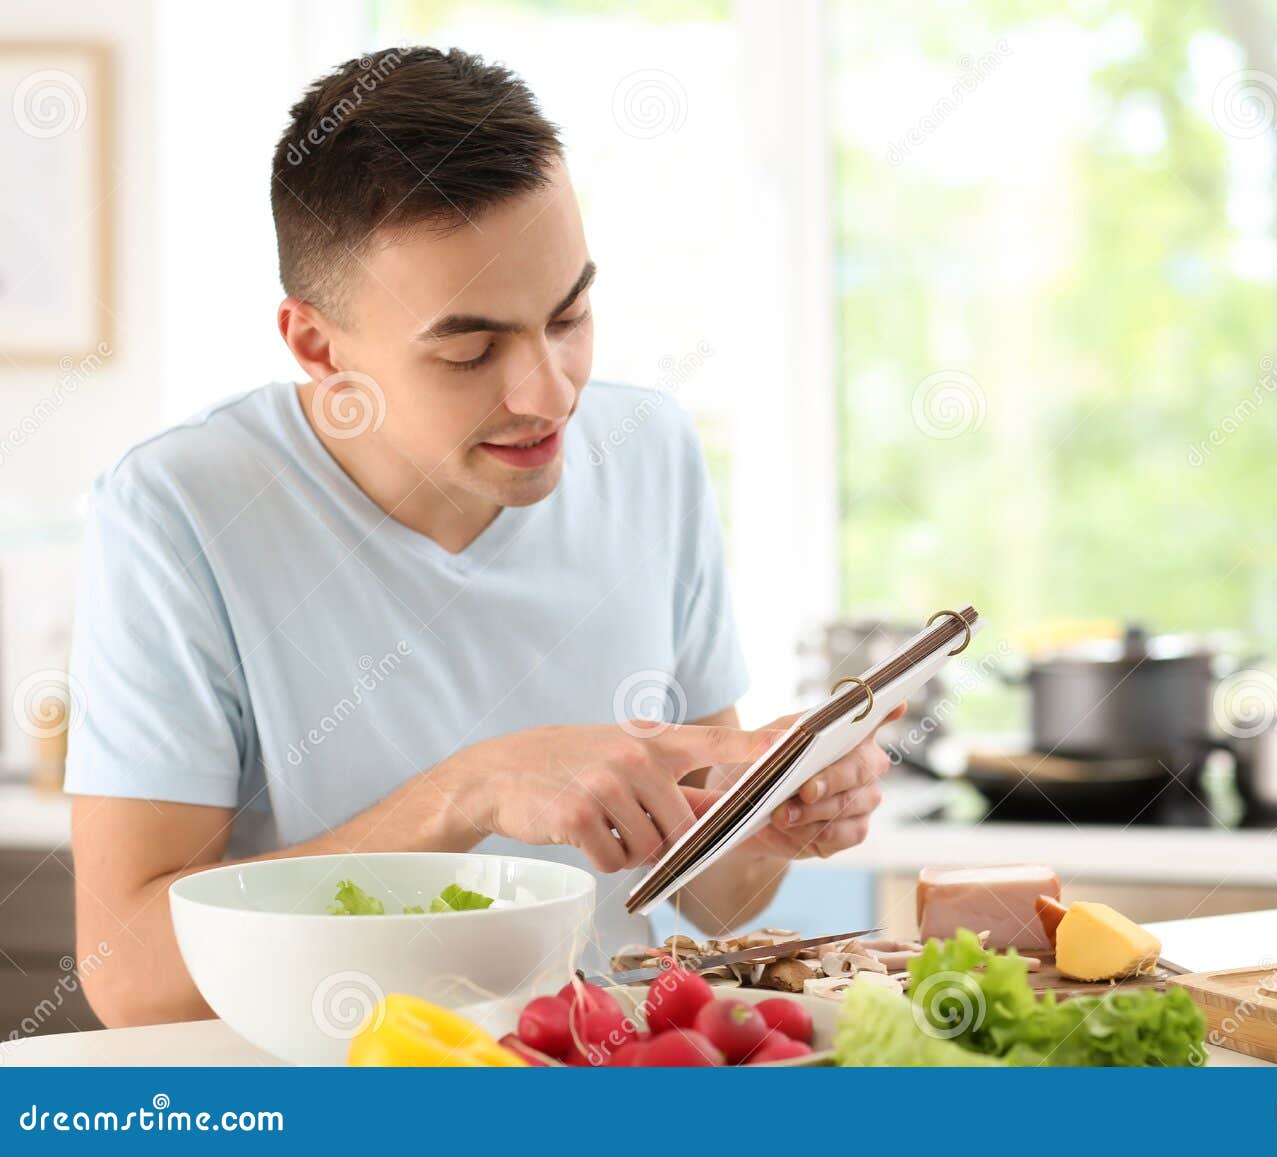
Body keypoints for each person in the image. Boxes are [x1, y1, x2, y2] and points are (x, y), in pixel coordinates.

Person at [64, 47, 894, 1027]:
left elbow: (712, 897)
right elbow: (126, 974)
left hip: (612, 1071)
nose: (549, 392)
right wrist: (465, 791)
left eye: (569, 314)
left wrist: (766, 818)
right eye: (469, 349)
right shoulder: (180, 510)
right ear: (318, 346)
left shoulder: (649, 449)